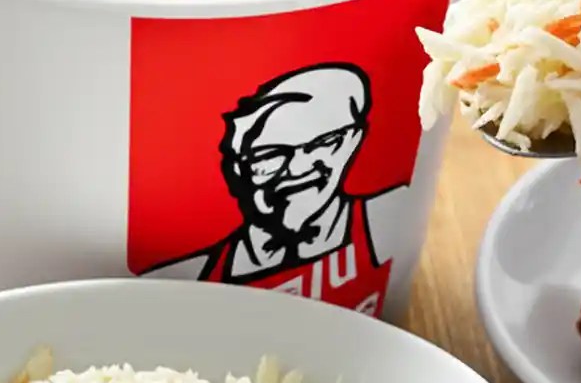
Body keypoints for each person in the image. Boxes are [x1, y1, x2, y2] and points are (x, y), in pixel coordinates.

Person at [142, 63, 397, 316]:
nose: (298, 169)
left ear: (352, 143)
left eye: (323, 143)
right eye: (270, 155)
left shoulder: (383, 223)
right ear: (239, 170)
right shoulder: (185, 275)